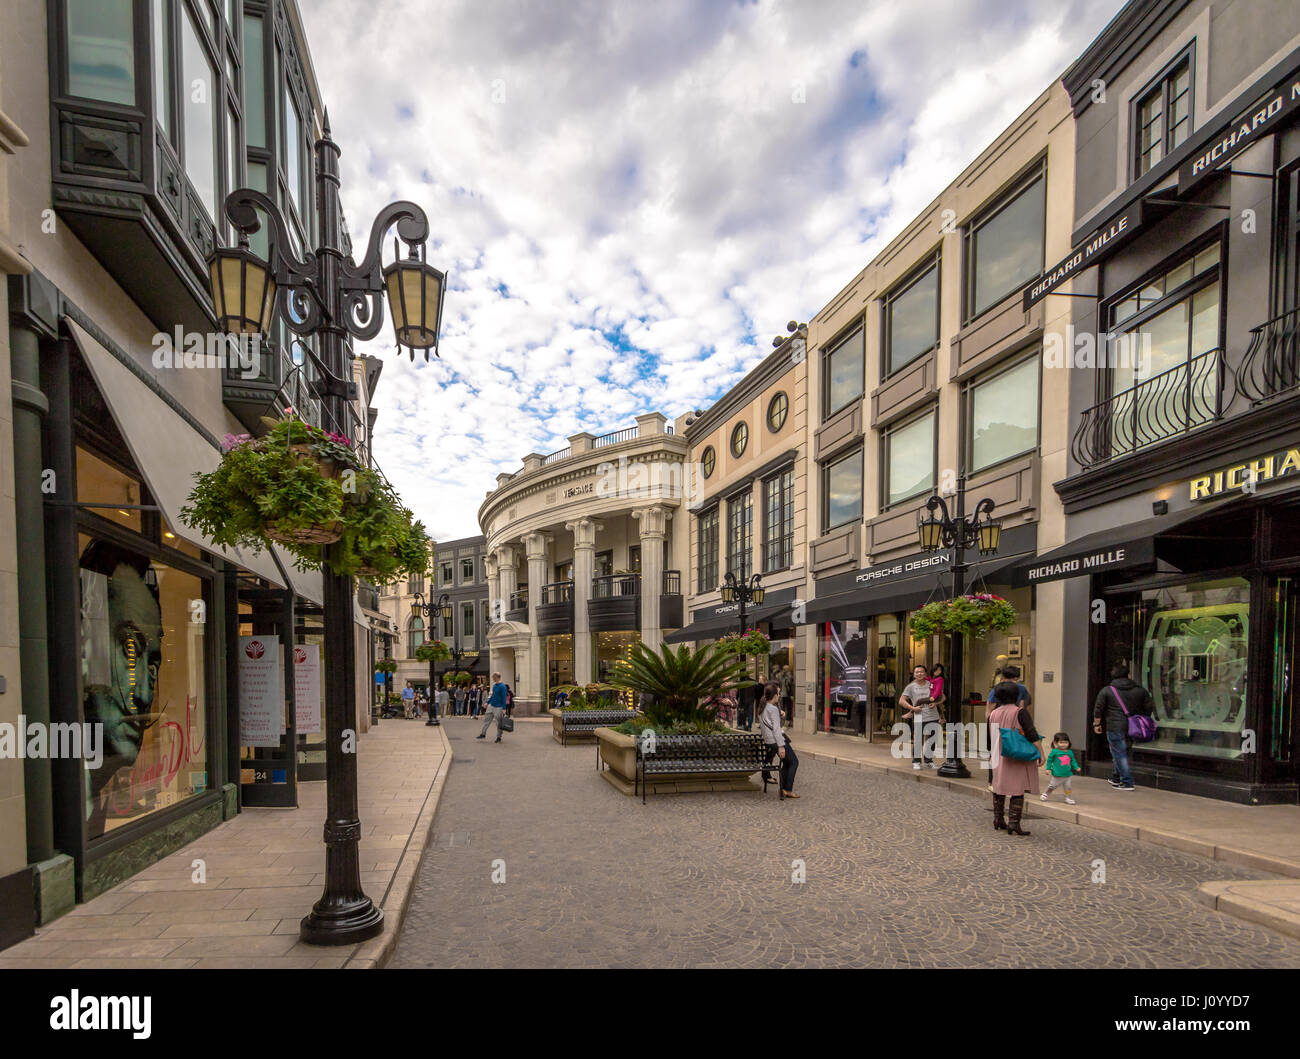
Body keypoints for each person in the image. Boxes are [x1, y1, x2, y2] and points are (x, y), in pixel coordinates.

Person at [989, 680, 1043, 835]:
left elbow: (990, 737)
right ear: (1016, 695)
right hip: (1017, 755)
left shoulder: (993, 713)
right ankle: (1014, 823)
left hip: (998, 753)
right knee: (1017, 789)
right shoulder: (1020, 712)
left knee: (999, 787)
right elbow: (1031, 733)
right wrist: (1041, 752)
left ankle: (998, 819)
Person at [1092, 660, 1153, 792]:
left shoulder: (1107, 690)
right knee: (1123, 752)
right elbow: (1149, 708)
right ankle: (1116, 777)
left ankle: (1127, 782)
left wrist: (1097, 724)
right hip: (1134, 727)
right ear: (1128, 675)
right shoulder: (1140, 690)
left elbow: (1098, 709)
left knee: (1119, 753)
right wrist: (1139, 718)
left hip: (1115, 726)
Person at [758, 681, 800, 799]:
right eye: (778, 694)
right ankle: (787, 789)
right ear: (775, 696)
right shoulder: (772, 709)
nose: (779, 696)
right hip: (776, 741)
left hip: (769, 741)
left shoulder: (763, 706)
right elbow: (776, 729)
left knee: (787, 762)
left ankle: (785, 789)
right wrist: (781, 746)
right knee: (794, 762)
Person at [899, 665, 940, 769]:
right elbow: (901, 701)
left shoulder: (931, 684)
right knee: (918, 739)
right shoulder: (910, 686)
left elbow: (942, 696)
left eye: (921, 672)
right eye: (917, 672)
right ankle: (916, 761)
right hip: (918, 716)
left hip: (933, 715)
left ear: (926, 674)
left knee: (932, 739)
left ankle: (928, 761)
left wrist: (936, 703)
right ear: (914, 674)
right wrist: (912, 708)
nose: (919, 674)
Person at [1042, 732, 1081, 805]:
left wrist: (1076, 767)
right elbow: (1050, 761)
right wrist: (1048, 769)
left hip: (1067, 775)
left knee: (1068, 788)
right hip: (1057, 775)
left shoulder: (1070, 752)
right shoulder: (1055, 751)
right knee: (1052, 786)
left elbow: (1073, 761)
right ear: (1055, 743)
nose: (1063, 744)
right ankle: (1046, 794)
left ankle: (1068, 798)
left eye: (1066, 742)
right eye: (1061, 742)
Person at [478, 671, 508, 742]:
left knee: (498, 723)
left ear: (497, 677)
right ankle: (483, 734)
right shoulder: (494, 686)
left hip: (498, 707)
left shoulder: (502, 686)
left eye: (493, 677)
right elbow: (493, 696)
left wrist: (504, 708)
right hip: (491, 705)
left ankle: (499, 737)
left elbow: (504, 698)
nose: (492, 679)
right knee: (486, 720)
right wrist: (487, 703)